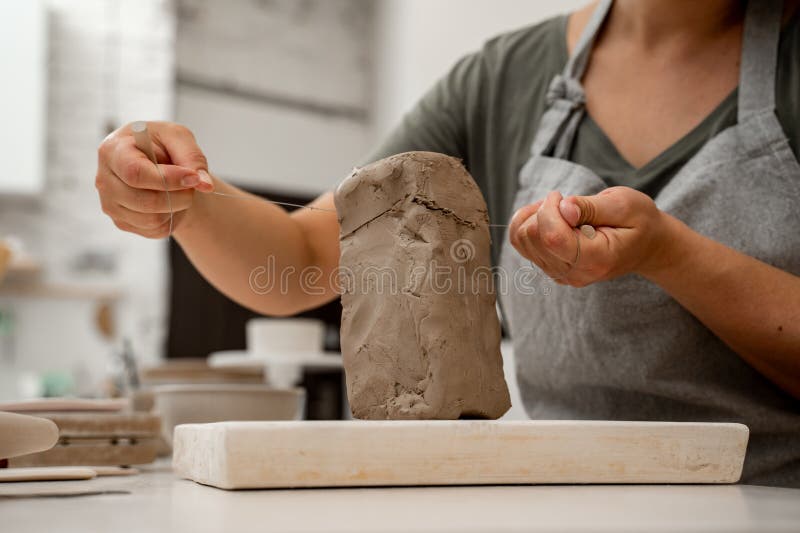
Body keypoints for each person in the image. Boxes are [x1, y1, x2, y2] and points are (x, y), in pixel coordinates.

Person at [95, 0, 800, 487]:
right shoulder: (501, 78)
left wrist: (670, 255)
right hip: (556, 504)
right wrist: (177, 194)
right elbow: (304, 259)